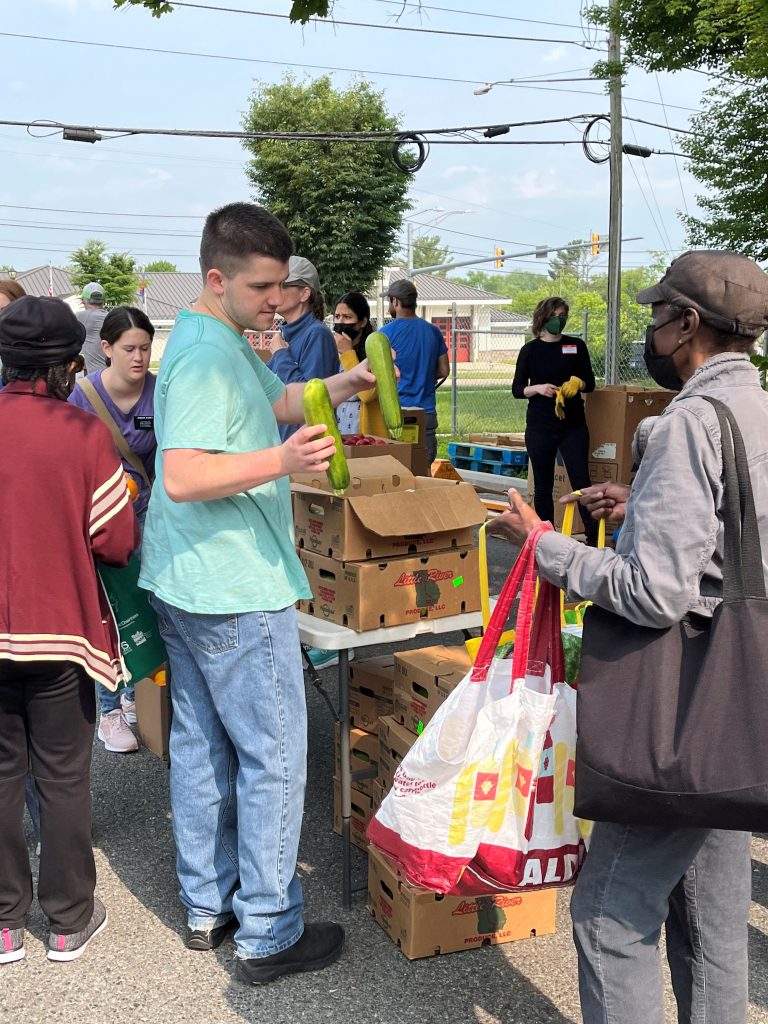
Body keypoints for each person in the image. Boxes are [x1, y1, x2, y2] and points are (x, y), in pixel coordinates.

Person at [489, 250, 768, 1024]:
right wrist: (641, 499)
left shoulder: (688, 425)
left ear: (687, 325)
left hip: (681, 708)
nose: (651, 330)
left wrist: (545, 545)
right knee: (713, 919)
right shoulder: (757, 410)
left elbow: (655, 593)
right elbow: (737, 537)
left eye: (656, 315)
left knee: (609, 917)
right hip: (738, 712)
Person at [137, 202, 376, 985]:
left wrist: (342, 382)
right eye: (264, 287)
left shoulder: (218, 340)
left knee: (204, 745)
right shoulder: (206, 356)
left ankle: (207, 905)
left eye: (285, 286)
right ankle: (268, 930)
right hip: (232, 586)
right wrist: (284, 463)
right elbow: (183, 474)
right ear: (216, 278)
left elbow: (270, 404)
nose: (281, 301)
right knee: (272, 757)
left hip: (187, 578)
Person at [0, 295, 138, 965]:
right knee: (62, 777)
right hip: (61, 635)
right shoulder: (81, 434)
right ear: (65, 368)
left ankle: (2, 925)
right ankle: (66, 923)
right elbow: (114, 542)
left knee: (1, 774)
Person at [69, 306, 157, 754]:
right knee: (110, 613)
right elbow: (68, 462)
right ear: (106, 349)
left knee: (147, 606)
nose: (139, 358)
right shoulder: (82, 397)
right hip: (98, 522)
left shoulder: (159, 393)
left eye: (145, 347)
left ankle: (139, 694)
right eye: (129, 349)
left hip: (147, 518)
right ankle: (109, 711)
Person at [511, 296, 597, 541]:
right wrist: (537, 388)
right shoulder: (530, 350)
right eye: (554, 316)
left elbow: (590, 383)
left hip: (573, 425)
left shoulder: (576, 346)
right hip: (540, 425)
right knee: (543, 484)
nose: (559, 321)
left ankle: (593, 537)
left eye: (563, 316)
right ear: (543, 318)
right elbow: (518, 389)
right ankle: (546, 537)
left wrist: (577, 383)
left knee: (581, 480)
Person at [266, 255, 339, 440]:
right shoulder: (286, 335)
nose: (274, 292)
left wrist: (281, 355)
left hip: (306, 452)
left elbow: (312, 397)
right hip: (285, 448)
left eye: (283, 285)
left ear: (304, 294)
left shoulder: (317, 334)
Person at [379, 278, 449, 465]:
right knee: (422, 469)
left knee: (396, 471)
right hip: (426, 413)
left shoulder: (385, 334)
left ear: (395, 301)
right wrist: (424, 375)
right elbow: (444, 370)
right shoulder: (433, 331)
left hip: (396, 413)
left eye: (389, 301)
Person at [333, 291, 387, 438]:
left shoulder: (374, 352)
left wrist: (348, 353)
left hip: (365, 436)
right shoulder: (332, 352)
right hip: (339, 431)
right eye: (337, 317)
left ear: (362, 321)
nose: (341, 322)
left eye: (347, 317)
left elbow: (367, 395)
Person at [77, 282, 108, 374]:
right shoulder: (112, 317)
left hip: (94, 378)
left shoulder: (79, 317)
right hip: (113, 375)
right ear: (104, 300)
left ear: (82, 300)